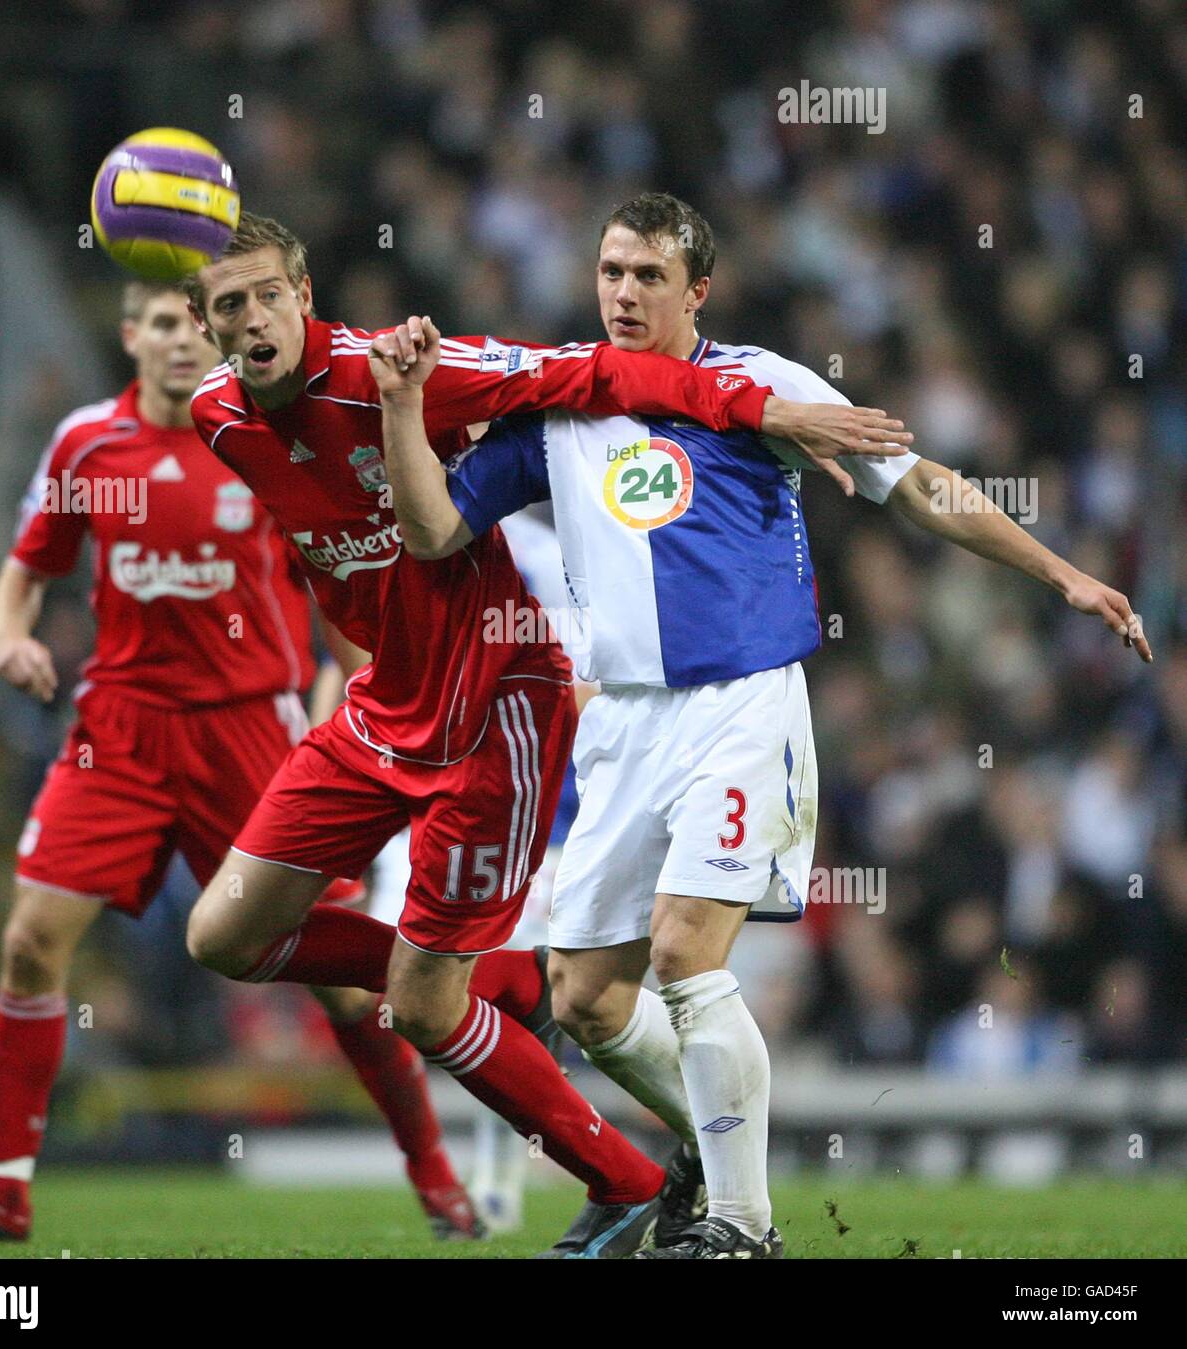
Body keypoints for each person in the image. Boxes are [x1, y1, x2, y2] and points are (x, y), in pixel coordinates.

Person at [368, 191, 1153, 1259]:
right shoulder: (556, 404)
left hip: (740, 705)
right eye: (611, 272)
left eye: (649, 276)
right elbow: (435, 528)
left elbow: (914, 483)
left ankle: (741, 1224)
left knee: (687, 951)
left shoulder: (763, 385)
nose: (624, 293)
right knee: (585, 997)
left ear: (698, 290)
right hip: (619, 723)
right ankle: (712, 1142)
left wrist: (1060, 572)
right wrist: (400, 411)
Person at [179, 211, 900, 1256]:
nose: (252, 319)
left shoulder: (414, 370)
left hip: (491, 709)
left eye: (266, 295)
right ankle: (501, 990)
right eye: (227, 305)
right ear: (204, 323)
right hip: (381, 710)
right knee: (221, 937)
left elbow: (603, 375)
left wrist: (760, 403)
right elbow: (322, 546)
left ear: (303, 293)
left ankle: (627, 1178)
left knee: (426, 1009)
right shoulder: (216, 416)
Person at [0, 283, 499, 1244]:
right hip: (120, 729)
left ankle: (433, 1171)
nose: (188, 341)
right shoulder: (86, 446)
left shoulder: (258, 435)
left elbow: (339, 597)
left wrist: (346, 712)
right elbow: (24, 565)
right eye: (166, 323)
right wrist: (9, 636)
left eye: (202, 324)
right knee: (27, 942)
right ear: (133, 334)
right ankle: (3, 1194)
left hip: (251, 732)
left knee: (341, 981)